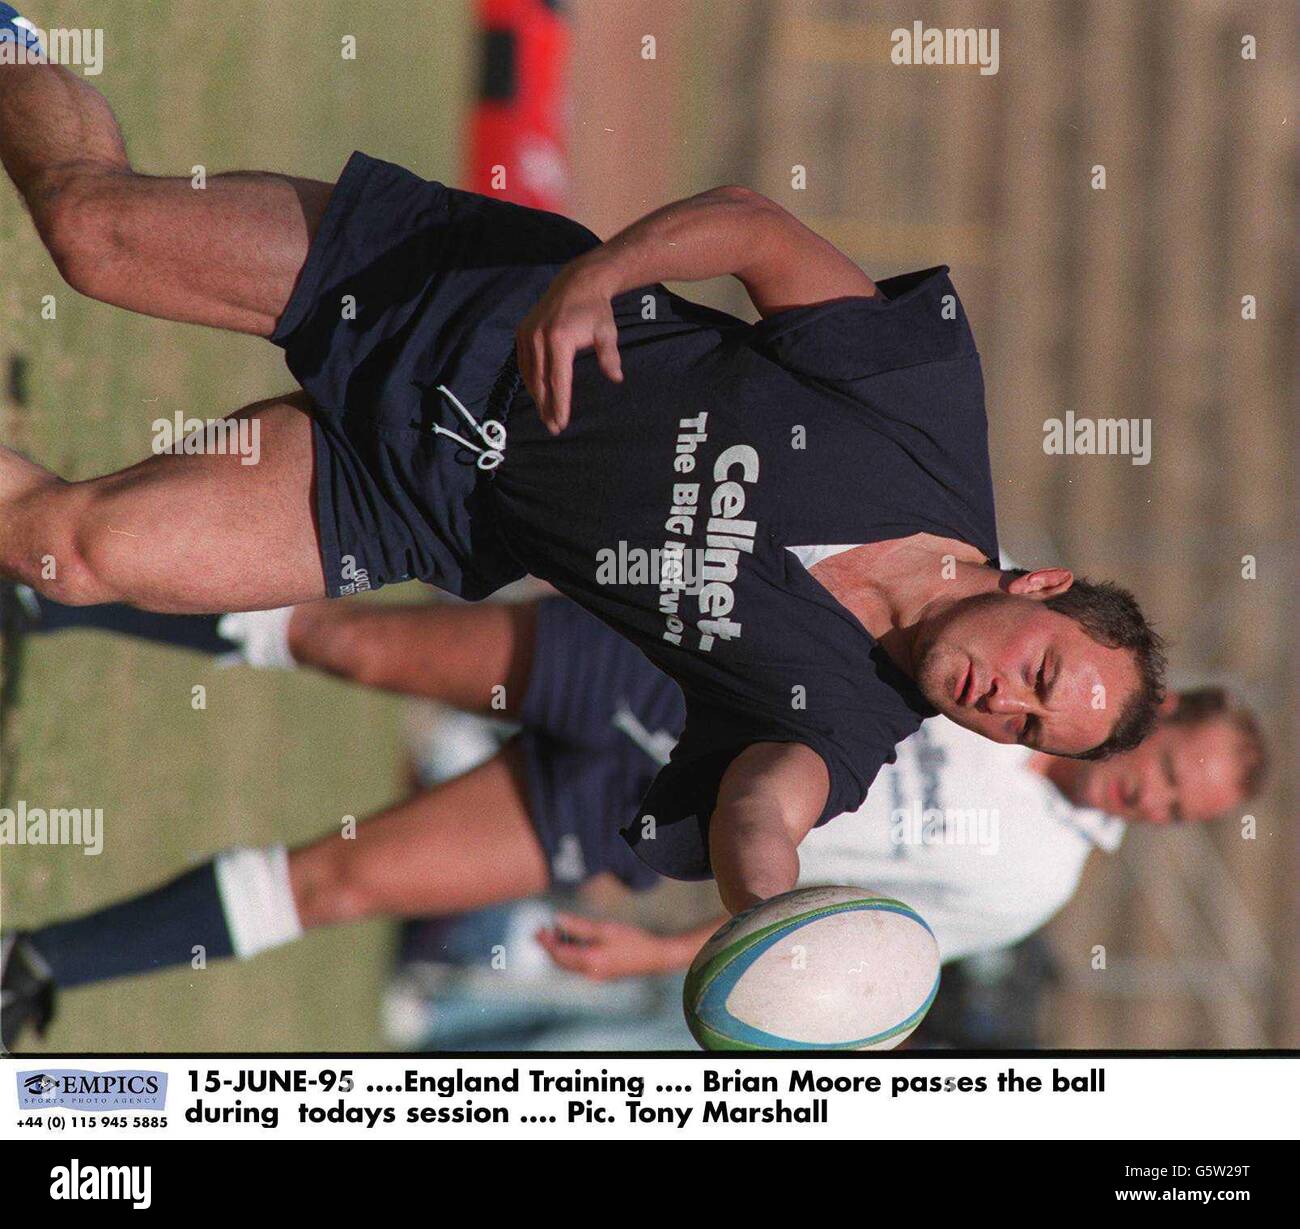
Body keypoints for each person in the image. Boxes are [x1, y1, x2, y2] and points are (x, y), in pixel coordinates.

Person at [0, 14, 1164, 911]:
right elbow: (757, 228)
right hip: (473, 305)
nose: (1000, 704)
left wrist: (771, 916)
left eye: (1020, 730)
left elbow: (764, 809)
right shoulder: (922, 418)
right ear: (1043, 587)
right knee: (94, 233)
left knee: (68, 552)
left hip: (429, 505)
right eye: (1039, 678)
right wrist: (595, 282)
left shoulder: (846, 721)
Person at [0, 591, 1262, 1049]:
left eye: (1172, 810)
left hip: (641, 815)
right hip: (649, 675)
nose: (1147, 797)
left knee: (343, 885)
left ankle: (44, 965)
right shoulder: (1015, 649)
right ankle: (48, 592)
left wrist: (664, 951)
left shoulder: (1031, 886)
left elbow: (844, 938)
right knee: (356, 638)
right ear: (1159, 709)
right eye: (1167, 768)